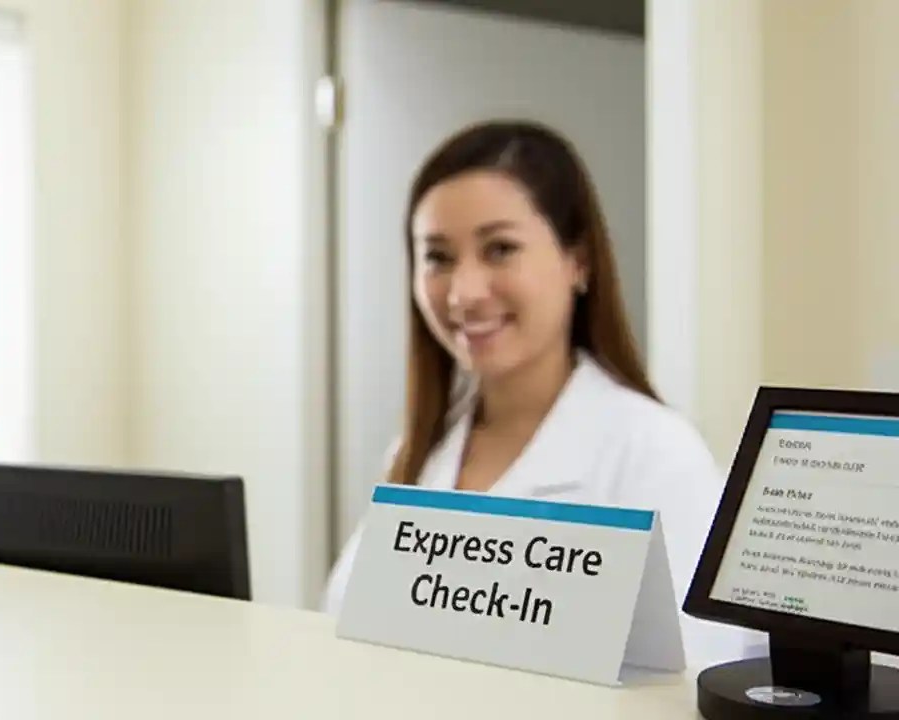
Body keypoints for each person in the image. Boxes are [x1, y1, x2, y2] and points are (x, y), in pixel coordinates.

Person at [321, 119, 756, 667]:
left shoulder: (654, 451)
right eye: (437, 257)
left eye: (500, 249)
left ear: (579, 261)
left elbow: (693, 679)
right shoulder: (417, 451)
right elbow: (341, 619)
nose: (464, 293)